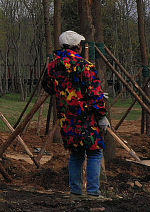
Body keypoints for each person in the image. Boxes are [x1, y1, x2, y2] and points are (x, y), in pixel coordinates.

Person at [42, 30, 109, 198]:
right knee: (94, 151)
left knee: (76, 153)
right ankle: (93, 192)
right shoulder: (85, 66)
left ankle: (75, 191)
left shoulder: (53, 66)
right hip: (87, 117)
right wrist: (101, 115)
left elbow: (48, 87)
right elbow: (94, 93)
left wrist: (65, 94)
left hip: (66, 118)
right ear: (77, 47)